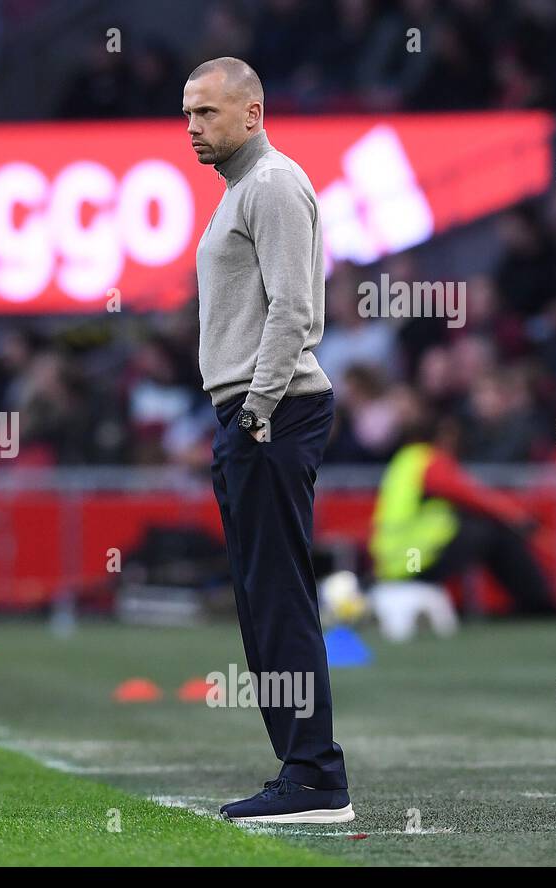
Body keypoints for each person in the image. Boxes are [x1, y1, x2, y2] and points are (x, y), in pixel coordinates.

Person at [185, 57, 353, 823]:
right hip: (254, 409)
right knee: (260, 598)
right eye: (188, 114)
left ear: (252, 114)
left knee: (278, 593)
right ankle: (302, 768)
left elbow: (294, 311)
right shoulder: (240, 192)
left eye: (209, 113)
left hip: (275, 408)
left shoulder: (273, 184)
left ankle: (315, 775)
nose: (193, 127)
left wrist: (254, 408)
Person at [371, 414, 556, 615]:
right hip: (414, 564)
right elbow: (474, 495)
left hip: (393, 564)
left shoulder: (405, 460)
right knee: (492, 534)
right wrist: (517, 517)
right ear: (443, 437)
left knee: (480, 530)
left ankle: (529, 602)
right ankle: (537, 604)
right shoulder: (429, 461)